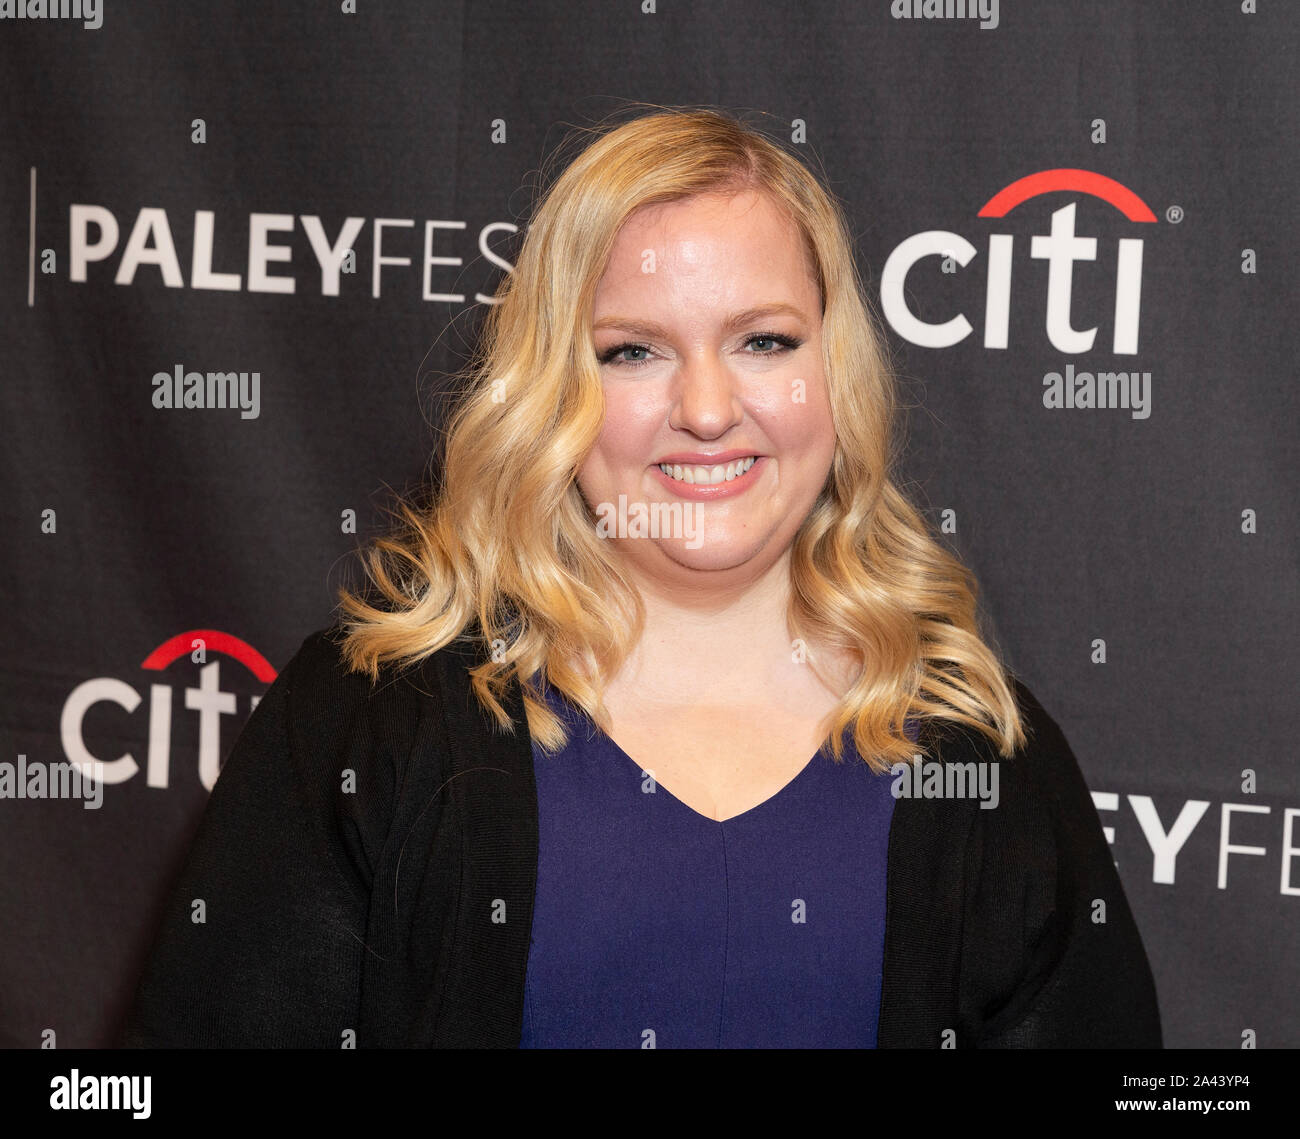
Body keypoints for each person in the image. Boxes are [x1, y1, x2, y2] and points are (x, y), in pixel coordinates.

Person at [120, 106, 1161, 1049]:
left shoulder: (978, 751)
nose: (706, 409)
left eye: (763, 340)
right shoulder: (371, 718)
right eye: (631, 351)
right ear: (550, 387)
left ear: (835, 372)